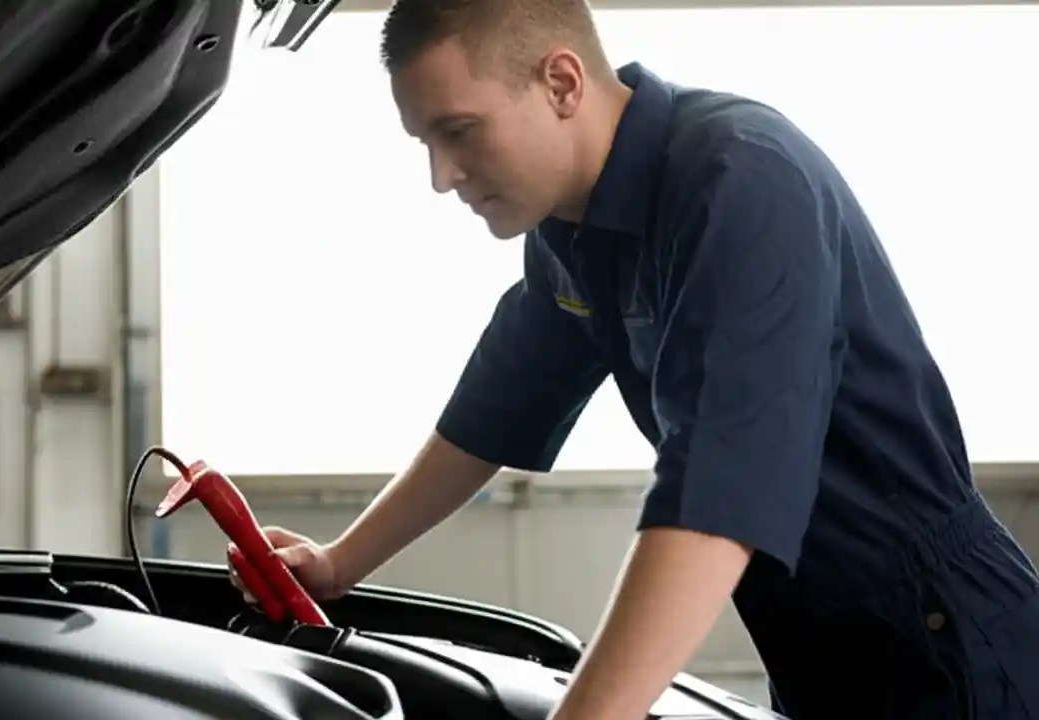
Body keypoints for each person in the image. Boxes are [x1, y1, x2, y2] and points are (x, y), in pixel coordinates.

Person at [228, 1, 1039, 717]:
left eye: (459, 132)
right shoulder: (571, 229)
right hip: (820, 653)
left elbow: (719, 497)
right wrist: (340, 564)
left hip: (949, 648)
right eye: (426, 142)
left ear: (562, 83)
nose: (442, 177)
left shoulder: (741, 181)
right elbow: (494, 412)